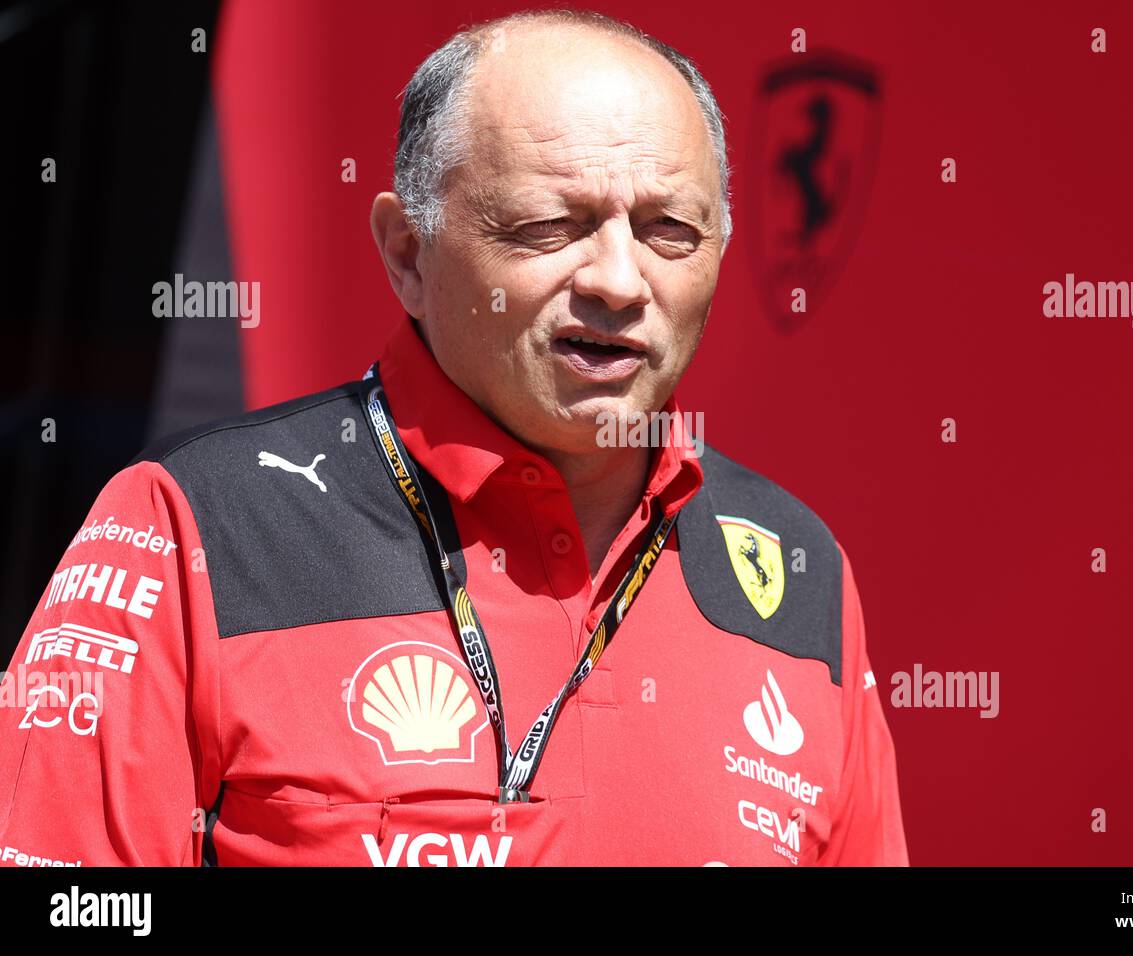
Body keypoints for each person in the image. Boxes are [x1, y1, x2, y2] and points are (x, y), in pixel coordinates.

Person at [0, 8, 907, 867]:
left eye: (672, 231)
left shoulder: (798, 570)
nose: (621, 281)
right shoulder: (190, 524)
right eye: (550, 226)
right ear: (407, 253)